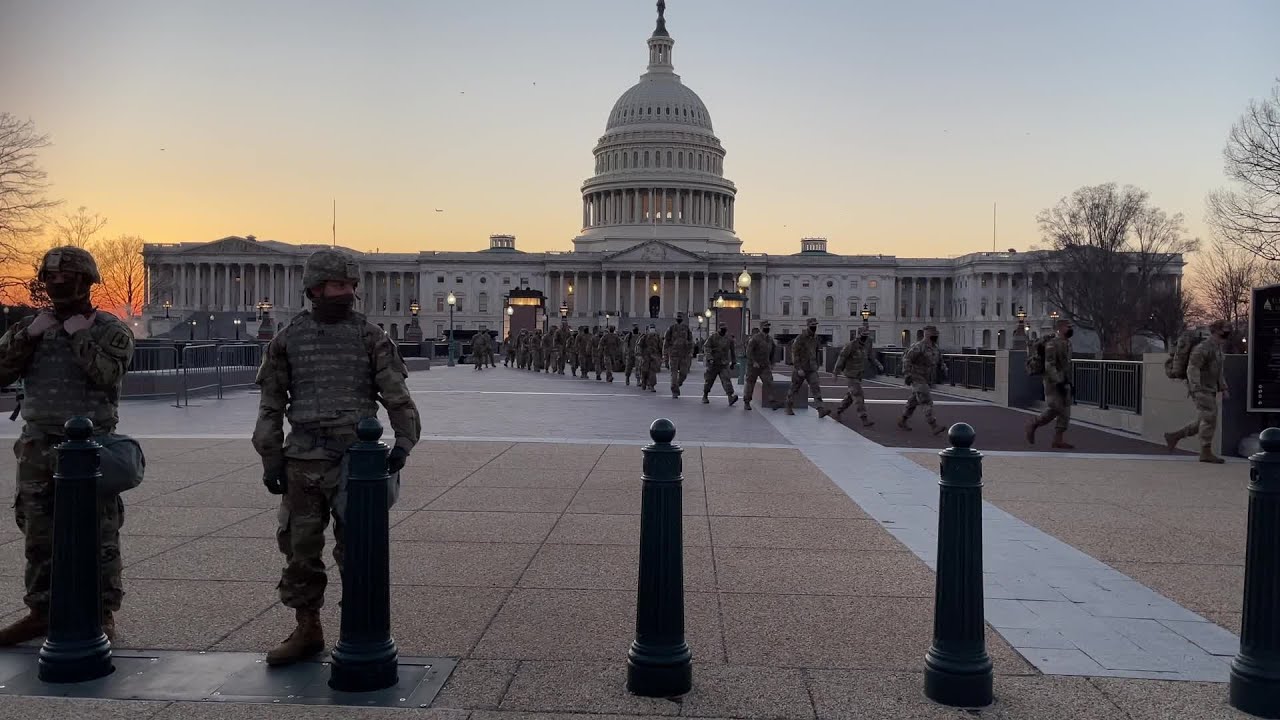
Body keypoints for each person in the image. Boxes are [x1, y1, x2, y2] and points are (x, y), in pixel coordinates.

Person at [252, 248, 422, 666]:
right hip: (303, 459)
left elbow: (397, 395)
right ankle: (307, 628)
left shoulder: (370, 337)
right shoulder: (288, 339)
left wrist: (404, 442)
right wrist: (270, 457)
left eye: (350, 285)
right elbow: (271, 405)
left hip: (355, 461)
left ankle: (359, 627)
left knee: (358, 551)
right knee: (300, 550)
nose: (347, 293)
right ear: (315, 289)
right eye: (338, 285)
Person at [0, 246, 135, 646]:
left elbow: (107, 376)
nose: (58, 284)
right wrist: (28, 336)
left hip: (91, 447)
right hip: (38, 445)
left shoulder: (109, 329)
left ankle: (102, 612)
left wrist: (80, 336)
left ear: (87, 281)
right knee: (38, 532)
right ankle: (41, 612)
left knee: (100, 533)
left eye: (67, 277)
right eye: (51, 277)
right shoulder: (30, 328)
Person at [1164, 320, 1231, 463]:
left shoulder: (1217, 349)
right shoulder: (1202, 348)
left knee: (1204, 419)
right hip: (1201, 388)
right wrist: (1196, 387)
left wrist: (1223, 388)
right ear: (1215, 331)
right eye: (1223, 332)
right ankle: (1205, 452)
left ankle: (1174, 436)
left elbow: (1218, 372)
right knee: (1210, 415)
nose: (1226, 335)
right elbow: (1192, 368)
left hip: (1210, 388)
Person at [1025, 317, 1074, 449]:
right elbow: (1049, 365)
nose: (1070, 329)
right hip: (1052, 381)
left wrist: (1068, 381)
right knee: (1055, 407)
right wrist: (1058, 380)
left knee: (1066, 410)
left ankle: (1058, 440)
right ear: (1060, 328)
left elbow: (1066, 364)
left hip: (1065, 380)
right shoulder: (1052, 344)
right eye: (1068, 326)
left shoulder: (1068, 343)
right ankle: (1034, 423)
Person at [898, 325, 946, 435]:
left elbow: (939, 360)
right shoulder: (918, 346)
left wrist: (943, 368)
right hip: (917, 377)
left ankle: (903, 420)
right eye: (933, 335)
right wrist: (907, 374)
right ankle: (933, 425)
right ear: (927, 335)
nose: (935, 337)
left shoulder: (935, 347)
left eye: (936, 335)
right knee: (926, 400)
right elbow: (907, 359)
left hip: (927, 378)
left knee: (913, 401)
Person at [834, 328, 884, 426]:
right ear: (859, 335)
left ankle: (838, 412)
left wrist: (878, 364)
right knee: (858, 395)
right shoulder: (851, 345)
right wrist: (836, 372)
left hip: (859, 374)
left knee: (850, 397)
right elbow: (841, 358)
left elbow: (871, 356)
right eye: (863, 335)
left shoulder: (867, 344)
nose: (865, 337)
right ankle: (863, 418)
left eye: (866, 335)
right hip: (850, 374)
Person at [785, 318, 829, 417]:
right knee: (794, 388)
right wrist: (798, 368)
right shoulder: (800, 338)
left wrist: (817, 364)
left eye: (815, 325)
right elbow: (794, 353)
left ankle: (820, 409)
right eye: (812, 325)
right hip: (801, 368)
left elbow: (817, 351)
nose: (814, 327)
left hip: (812, 368)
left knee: (816, 388)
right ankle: (788, 406)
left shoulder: (816, 338)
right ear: (808, 326)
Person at [702, 322, 740, 406]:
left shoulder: (729, 339)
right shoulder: (713, 337)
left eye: (725, 328)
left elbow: (732, 351)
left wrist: (733, 362)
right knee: (709, 380)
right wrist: (709, 357)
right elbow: (706, 347)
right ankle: (705, 395)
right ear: (719, 329)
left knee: (727, 380)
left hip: (723, 363)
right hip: (713, 363)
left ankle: (730, 397)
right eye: (722, 328)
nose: (723, 330)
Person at [743, 322, 777, 411]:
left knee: (769, 382)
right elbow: (749, 351)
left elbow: (773, 351)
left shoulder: (770, 339)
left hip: (765, 365)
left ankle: (772, 401)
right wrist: (753, 362)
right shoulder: (755, 338)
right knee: (750, 383)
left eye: (768, 326)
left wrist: (772, 363)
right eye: (765, 326)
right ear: (761, 327)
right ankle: (747, 402)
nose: (767, 328)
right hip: (753, 366)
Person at [665, 312, 694, 398]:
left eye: (680, 317)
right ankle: (674, 391)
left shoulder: (686, 328)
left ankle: (677, 384)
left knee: (684, 374)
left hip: (684, 355)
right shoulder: (671, 328)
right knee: (674, 374)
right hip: (673, 355)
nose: (679, 319)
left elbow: (691, 341)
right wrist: (665, 357)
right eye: (678, 317)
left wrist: (690, 352)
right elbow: (666, 343)